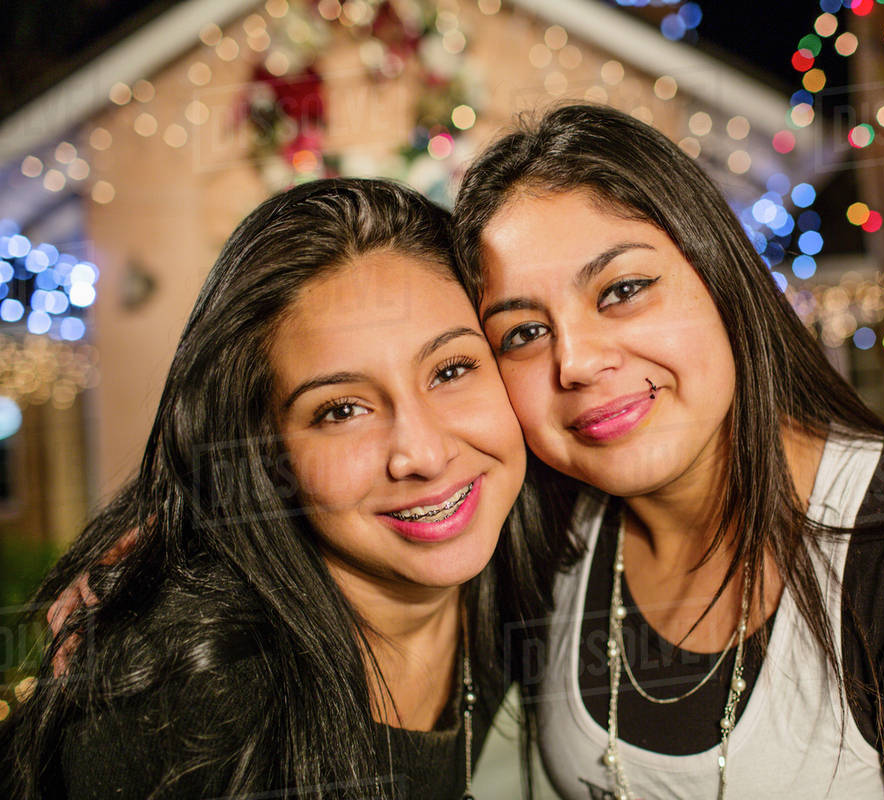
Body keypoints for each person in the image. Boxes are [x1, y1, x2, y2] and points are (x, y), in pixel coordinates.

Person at [452, 104, 884, 799]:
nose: (576, 362)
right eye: (523, 332)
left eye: (621, 290)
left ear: (721, 276)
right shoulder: (543, 538)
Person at [1, 178, 565, 799]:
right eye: (342, 410)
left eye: (451, 370)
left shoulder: (541, 571)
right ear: (267, 455)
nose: (424, 455)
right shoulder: (182, 711)